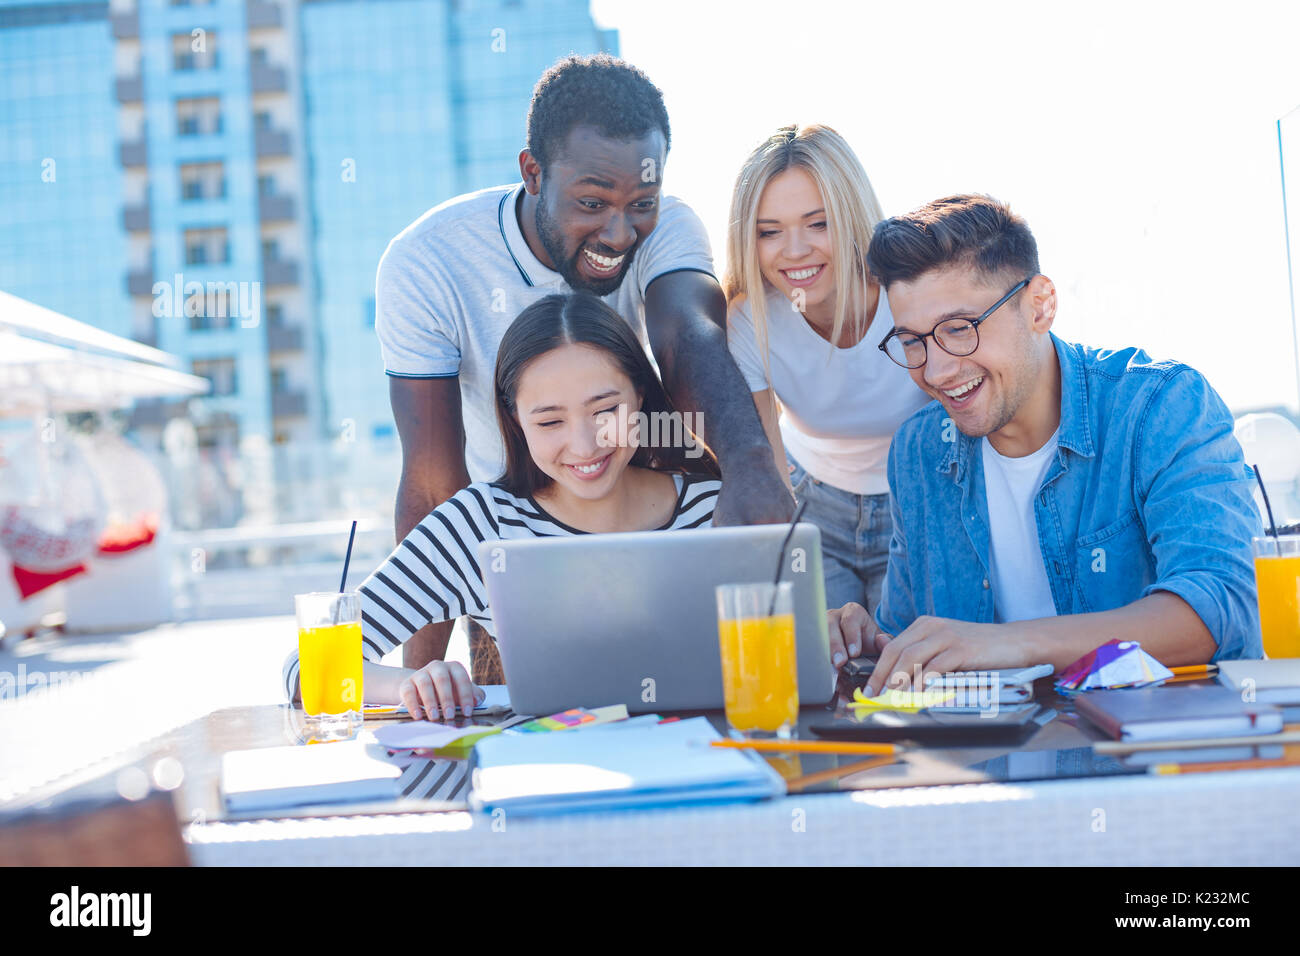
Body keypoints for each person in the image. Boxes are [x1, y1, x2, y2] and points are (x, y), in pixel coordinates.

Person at [377, 54, 791, 681]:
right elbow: (434, 481)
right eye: (593, 203)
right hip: (515, 564)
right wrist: (422, 683)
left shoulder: (670, 226)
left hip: (653, 530)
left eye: (640, 204)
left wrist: (751, 465)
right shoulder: (428, 262)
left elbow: (689, 337)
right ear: (533, 173)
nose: (621, 233)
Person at [838, 194, 1263, 695]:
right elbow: (917, 641)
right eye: (913, 341)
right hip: (995, 760)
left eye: (959, 329)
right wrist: (869, 643)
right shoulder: (919, 450)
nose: (935, 370)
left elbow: (1220, 605)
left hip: (1155, 757)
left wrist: (1005, 643)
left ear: (1040, 305)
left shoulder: (1160, 407)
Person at [285, 292, 724, 718]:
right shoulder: (480, 525)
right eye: (550, 420)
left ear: (640, 397)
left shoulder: (718, 509)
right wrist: (409, 684)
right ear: (515, 418)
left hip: (715, 762)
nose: (585, 444)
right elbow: (306, 671)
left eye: (606, 410)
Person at [723, 124, 928, 641]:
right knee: (832, 662)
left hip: (916, 505)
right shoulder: (751, 320)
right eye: (768, 231)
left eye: (817, 224)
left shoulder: (911, 292)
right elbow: (767, 470)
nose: (793, 251)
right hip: (813, 511)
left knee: (904, 662)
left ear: (852, 216)